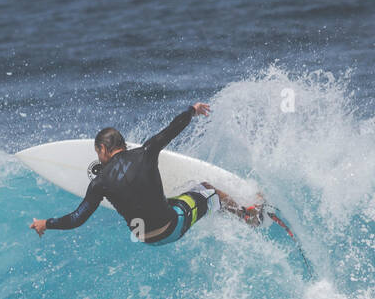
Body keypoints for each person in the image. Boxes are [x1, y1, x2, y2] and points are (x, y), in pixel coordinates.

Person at [29, 102, 258, 245]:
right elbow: (172, 129)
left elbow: (76, 218)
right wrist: (192, 111)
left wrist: (45, 223)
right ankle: (248, 216)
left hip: (145, 238)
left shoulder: (99, 183)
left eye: (97, 152)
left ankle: (208, 210)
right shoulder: (147, 152)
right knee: (208, 189)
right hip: (172, 227)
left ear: (103, 149)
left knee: (171, 199)